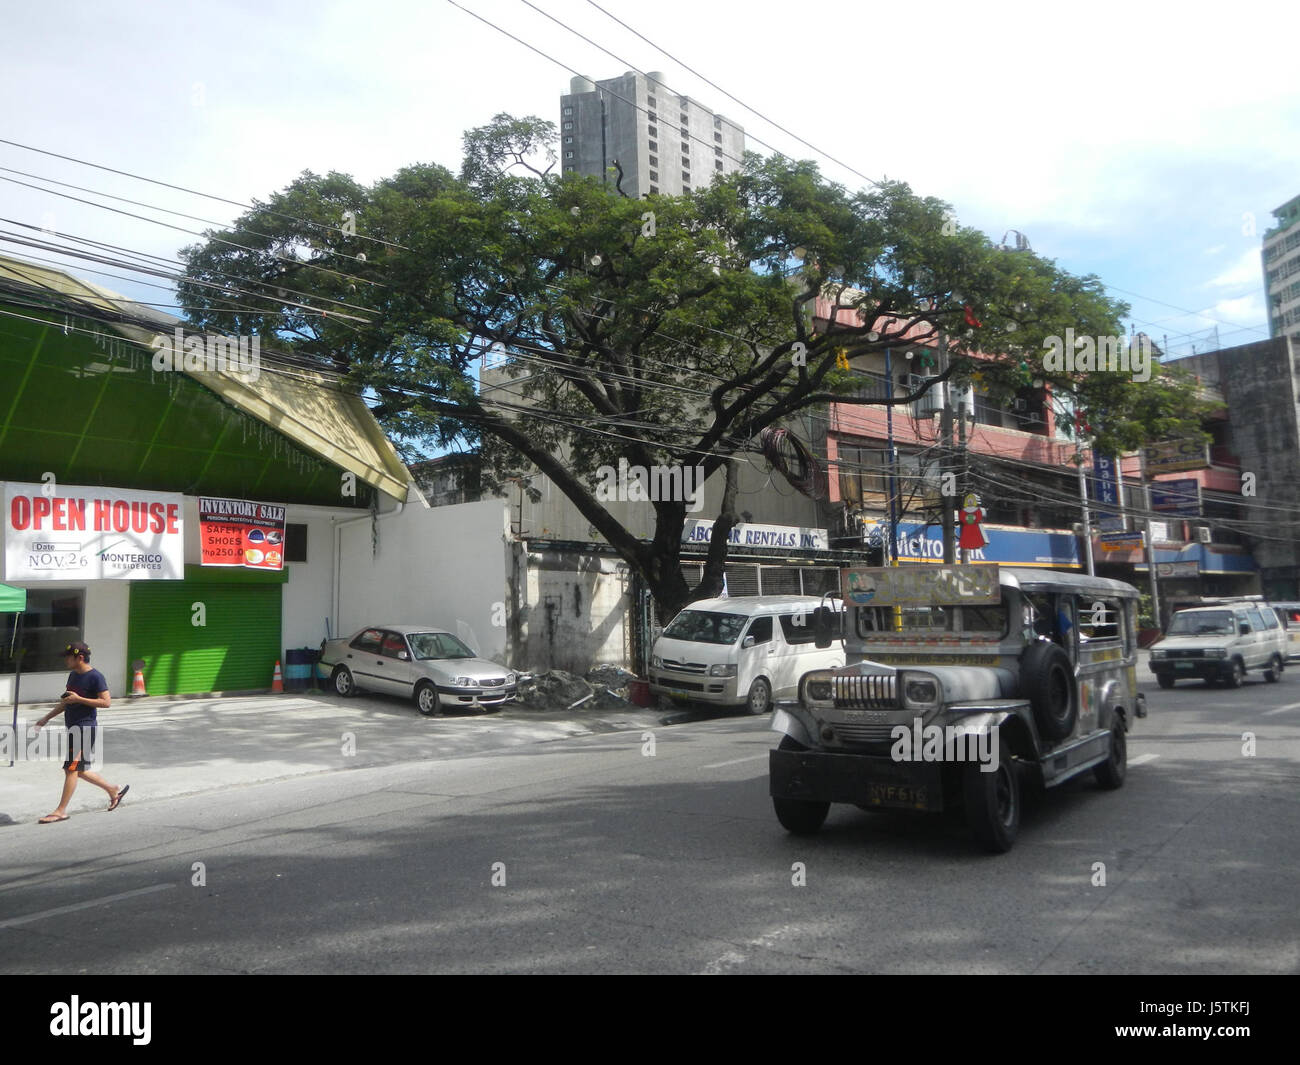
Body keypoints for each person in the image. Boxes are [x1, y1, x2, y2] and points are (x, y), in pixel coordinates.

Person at [32, 641, 128, 824]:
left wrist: (80, 699)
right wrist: (46, 718)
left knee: (71, 769)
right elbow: (67, 702)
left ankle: (60, 811)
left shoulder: (95, 677)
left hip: (84, 728)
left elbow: (106, 702)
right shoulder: (73, 675)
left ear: (80, 657)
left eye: (68, 657)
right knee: (79, 770)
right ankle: (112, 790)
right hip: (73, 727)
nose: (66, 660)